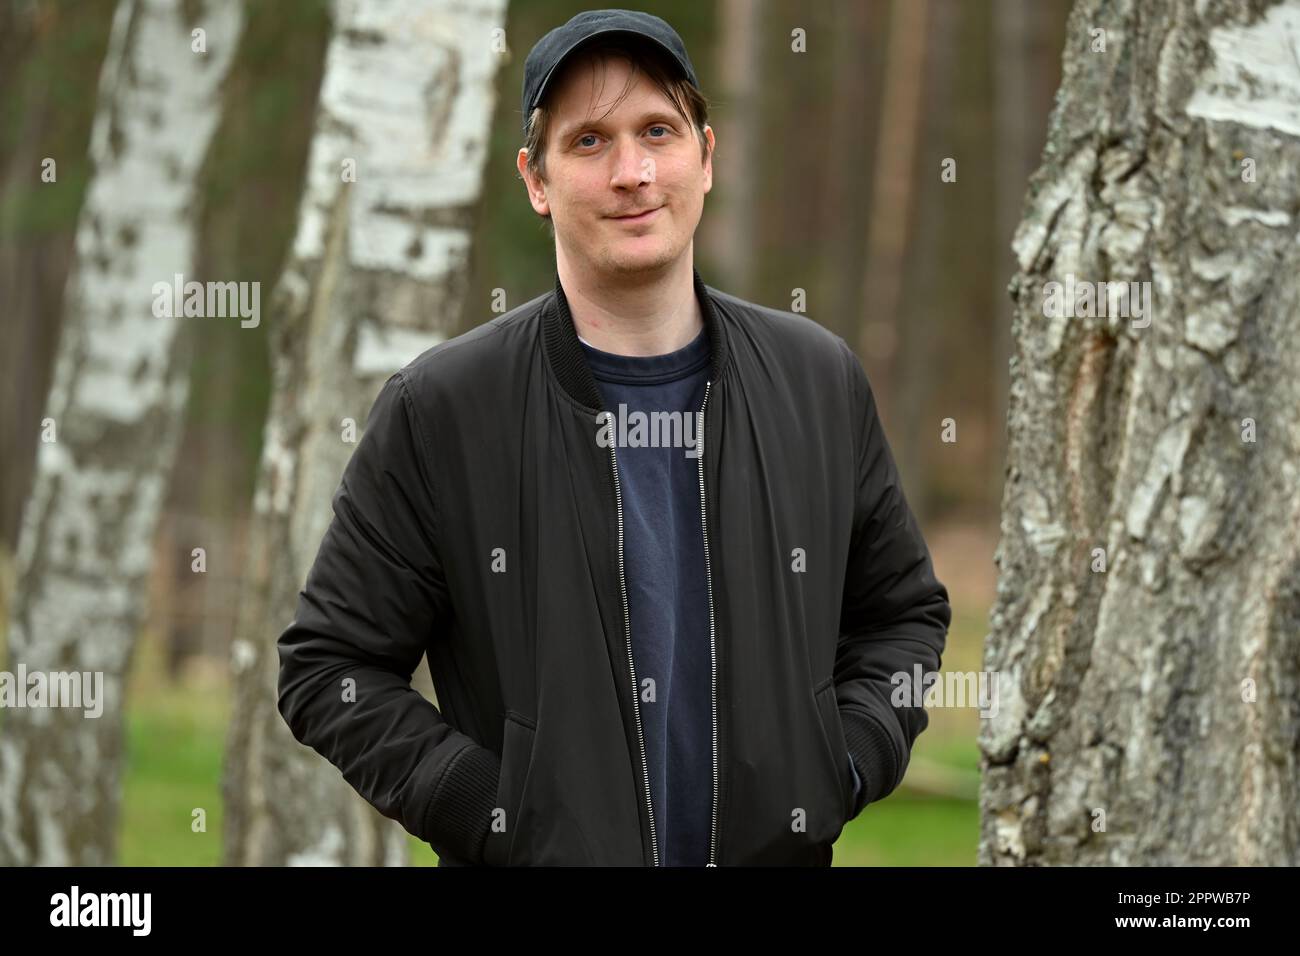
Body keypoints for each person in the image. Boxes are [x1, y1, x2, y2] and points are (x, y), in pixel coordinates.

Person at [276, 8, 951, 867]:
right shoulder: (444, 408)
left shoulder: (817, 381)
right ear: (536, 180)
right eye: (589, 142)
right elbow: (330, 668)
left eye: (657, 132)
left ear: (706, 156)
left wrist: (846, 758)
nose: (633, 173)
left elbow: (903, 614)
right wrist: (485, 805)